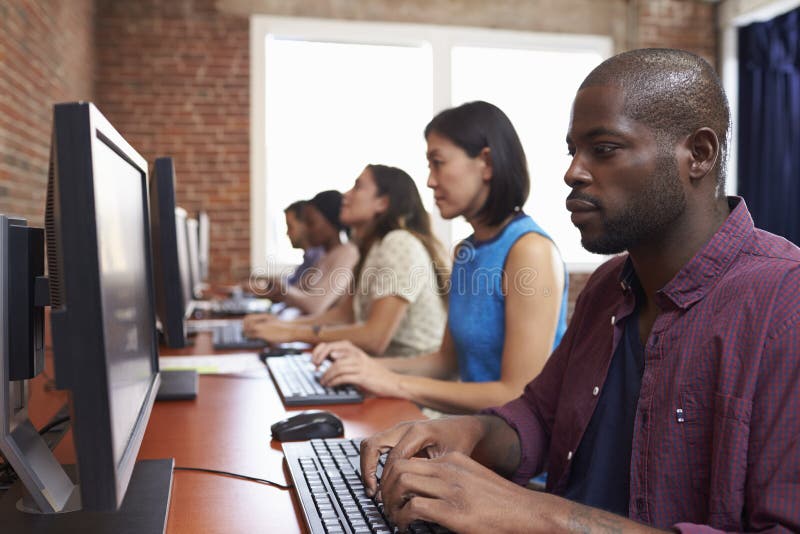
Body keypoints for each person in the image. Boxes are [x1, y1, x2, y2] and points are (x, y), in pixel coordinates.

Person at [357, 49, 800, 533]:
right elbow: (539, 418)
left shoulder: (784, 306)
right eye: (572, 151)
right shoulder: (609, 287)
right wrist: (466, 431)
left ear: (699, 154)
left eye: (604, 149)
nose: (573, 172)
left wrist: (532, 512)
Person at [311, 101, 569, 414]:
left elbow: (517, 393)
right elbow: (446, 362)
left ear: (486, 163)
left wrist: (392, 381)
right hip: (474, 435)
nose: (431, 181)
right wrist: (365, 366)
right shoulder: (466, 251)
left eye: (438, 163)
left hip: (517, 455)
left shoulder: (530, 251)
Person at [244, 164, 449, 357]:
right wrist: (283, 325)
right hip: (386, 371)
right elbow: (344, 316)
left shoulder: (398, 242)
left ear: (382, 203)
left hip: (411, 377)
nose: (346, 195)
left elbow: (374, 338)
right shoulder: (371, 248)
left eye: (358, 187)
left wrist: (291, 333)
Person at [259, 190, 358, 315]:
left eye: (311, 223)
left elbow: (315, 306)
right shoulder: (325, 257)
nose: (306, 230)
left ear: (330, 223)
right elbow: (296, 292)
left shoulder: (348, 253)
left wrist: (284, 290)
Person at [284, 200, 324, 287]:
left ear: (304, 225)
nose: (287, 233)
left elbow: (297, 290)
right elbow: (292, 283)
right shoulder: (308, 258)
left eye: (290, 227)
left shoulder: (320, 257)